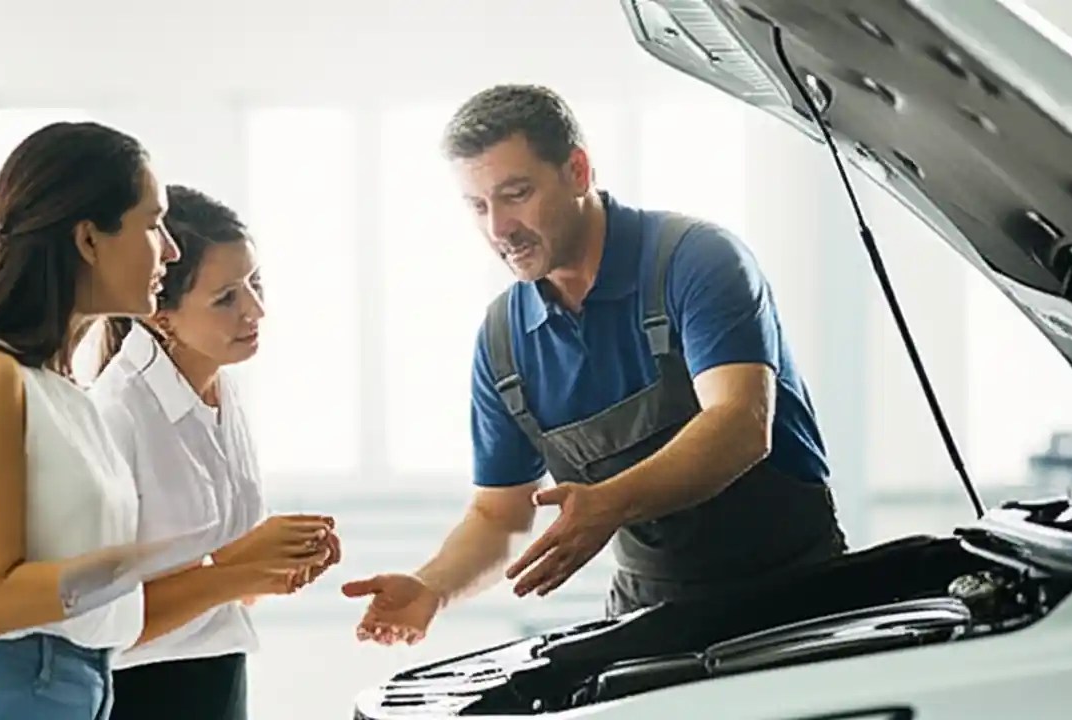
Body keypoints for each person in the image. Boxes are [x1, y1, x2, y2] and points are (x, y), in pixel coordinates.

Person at [342, 84, 848, 643]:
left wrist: (606, 504)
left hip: (797, 604)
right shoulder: (502, 342)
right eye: (478, 206)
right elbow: (499, 514)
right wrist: (432, 586)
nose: (497, 228)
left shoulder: (697, 261)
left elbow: (740, 424)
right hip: (648, 620)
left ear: (578, 171)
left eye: (516, 194)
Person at [0, 122, 325, 720]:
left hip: (75, 692)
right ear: (88, 240)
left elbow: (105, 613)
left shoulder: (66, 395)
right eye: (151, 224)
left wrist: (237, 566)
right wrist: (211, 556)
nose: (168, 248)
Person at [89, 184, 341, 720]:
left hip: (220, 680)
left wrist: (282, 562)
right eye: (227, 297)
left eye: (255, 283)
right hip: (143, 696)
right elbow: (99, 622)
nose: (257, 309)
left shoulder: (224, 391)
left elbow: (224, 581)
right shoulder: (115, 414)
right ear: (159, 314)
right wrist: (242, 570)